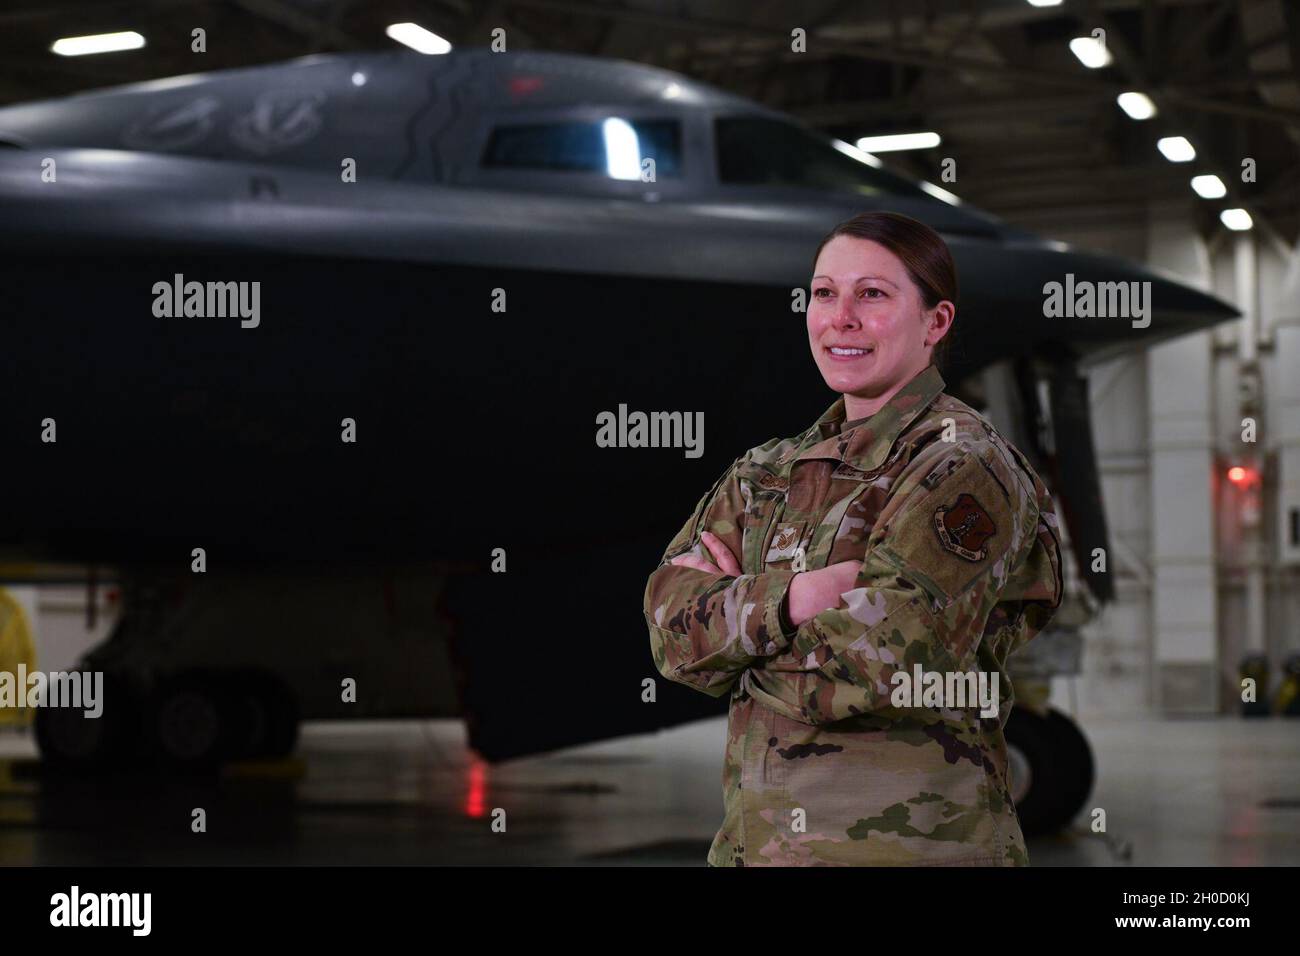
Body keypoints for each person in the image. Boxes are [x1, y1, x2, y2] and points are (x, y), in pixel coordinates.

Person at [643, 211, 1063, 866]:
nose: (841, 317)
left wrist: (739, 641)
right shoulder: (769, 471)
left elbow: (873, 667)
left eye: (873, 294)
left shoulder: (963, 466)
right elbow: (669, 634)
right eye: (824, 293)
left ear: (936, 322)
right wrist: (798, 600)